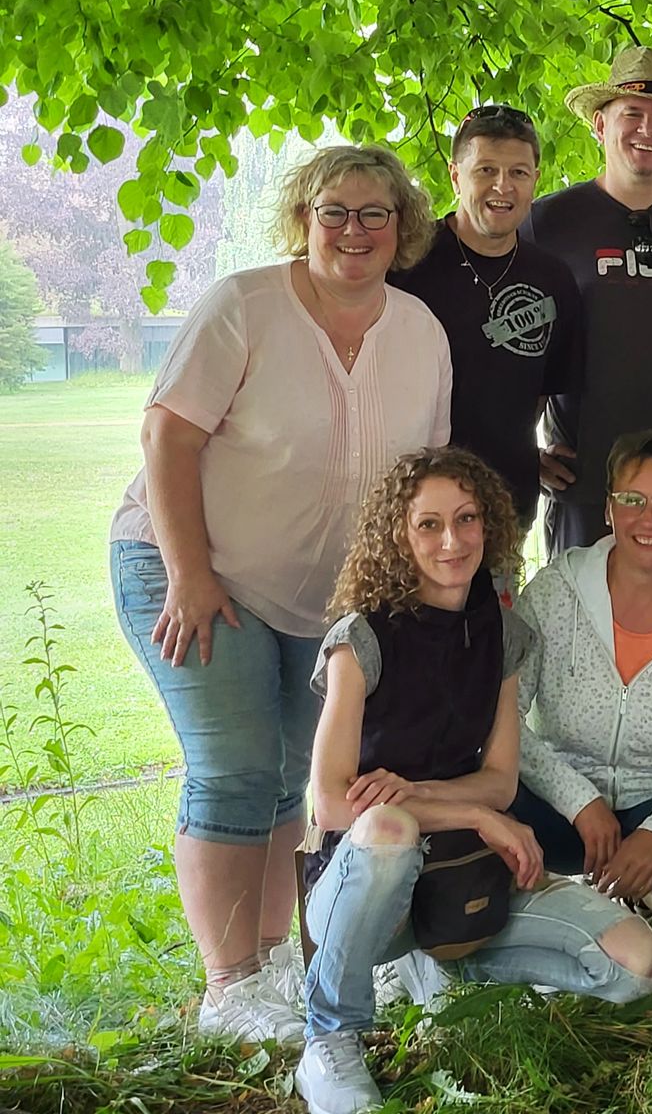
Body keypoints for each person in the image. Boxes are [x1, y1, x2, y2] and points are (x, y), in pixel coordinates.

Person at [108, 144, 451, 1047]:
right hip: (187, 568)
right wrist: (189, 574)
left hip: (326, 600)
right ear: (304, 218)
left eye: (375, 213)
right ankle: (227, 988)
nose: (354, 230)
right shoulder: (245, 304)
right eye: (334, 210)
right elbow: (167, 435)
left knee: (292, 781)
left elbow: (419, 480)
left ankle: (268, 962)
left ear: (402, 229)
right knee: (235, 767)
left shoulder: (418, 330)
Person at [297, 448, 652, 1114]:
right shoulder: (361, 639)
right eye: (429, 524)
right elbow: (330, 802)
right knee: (384, 826)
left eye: (466, 520)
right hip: (362, 881)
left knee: (636, 964)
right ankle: (330, 1037)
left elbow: (498, 780)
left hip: (464, 875)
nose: (451, 541)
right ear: (397, 535)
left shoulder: (504, 634)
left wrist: (463, 808)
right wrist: (476, 815)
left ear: (489, 526)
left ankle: (447, 958)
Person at [507, 430, 652, 925]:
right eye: (633, 500)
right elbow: (504, 722)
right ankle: (556, 892)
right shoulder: (554, 592)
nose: (650, 519)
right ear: (608, 509)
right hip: (556, 797)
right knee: (485, 824)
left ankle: (635, 885)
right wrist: (581, 802)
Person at [525, 47, 652, 553]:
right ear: (599, 124)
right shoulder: (544, 224)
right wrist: (519, 448)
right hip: (585, 484)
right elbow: (508, 340)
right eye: (631, 114)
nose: (647, 129)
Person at [389, 104, 582, 531]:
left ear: (535, 180)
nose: (503, 186)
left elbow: (543, 392)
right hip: (411, 509)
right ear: (456, 176)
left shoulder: (553, 279)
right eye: (485, 170)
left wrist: (528, 453)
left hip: (507, 509)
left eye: (518, 172)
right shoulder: (404, 264)